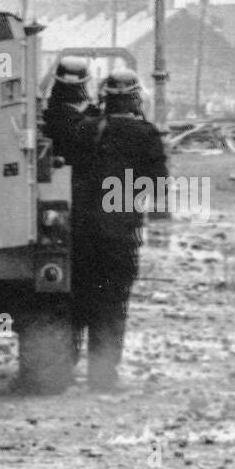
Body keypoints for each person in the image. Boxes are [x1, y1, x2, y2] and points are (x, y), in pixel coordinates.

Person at [63, 68, 167, 390]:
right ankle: (103, 376)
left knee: (77, 301)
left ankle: (63, 370)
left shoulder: (84, 129)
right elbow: (158, 183)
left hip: (82, 229)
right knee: (112, 303)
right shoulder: (146, 133)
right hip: (121, 231)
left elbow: (71, 170)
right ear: (136, 98)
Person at [42, 56, 97, 154]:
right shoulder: (96, 114)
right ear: (84, 84)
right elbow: (128, 165)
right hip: (89, 167)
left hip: (56, 166)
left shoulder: (48, 113)